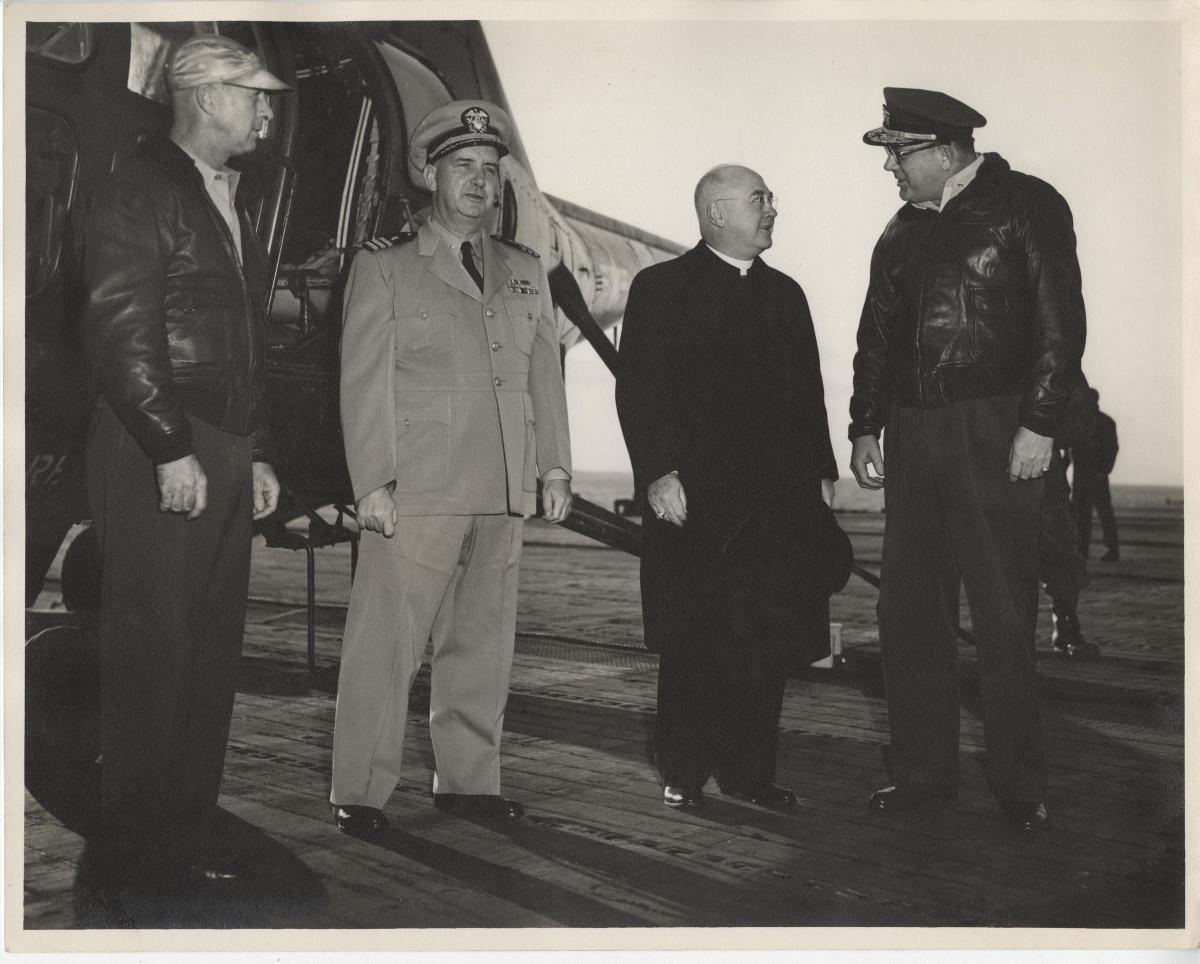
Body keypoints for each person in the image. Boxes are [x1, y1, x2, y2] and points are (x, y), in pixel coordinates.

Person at [331, 100, 573, 834]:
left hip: (502, 487)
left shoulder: (525, 269)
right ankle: (359, 792)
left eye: (490, 170)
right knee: (387, 647)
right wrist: (372, 484)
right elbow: (363, 383)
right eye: (463, 166)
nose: (479, 182)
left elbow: (544, 376)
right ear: (430, 175)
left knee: (482, 646)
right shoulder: (385, 267)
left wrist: (555, 469)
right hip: (420, 489)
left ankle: (468, 783)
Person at [80, 35, 288, 883]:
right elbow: (120, 328)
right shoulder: (142, 189)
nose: (266, 111)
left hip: (220, 446)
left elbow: (241, 343)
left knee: (207, 659)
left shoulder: (222, 195)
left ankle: (184, 836)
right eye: (254, 95)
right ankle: (134, 854)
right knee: (152, 660)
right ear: (205, 96)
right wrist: (170, 447)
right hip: (162, 444)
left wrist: (255, 450)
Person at [849, 88, 1086, 832]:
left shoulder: (1026, 205)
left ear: (946, 150)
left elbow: (1061, 322)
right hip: (912, 433)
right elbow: (874, 340)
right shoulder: (899, 232)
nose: (889, 166)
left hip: (996, 426)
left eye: (899, 152)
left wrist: (1039, 424)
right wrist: (864, 427)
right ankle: (923, 775)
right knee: (909, 611)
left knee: (1003, 613)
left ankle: (1020, 785)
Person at [616, 164, 845, 812]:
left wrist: (821, 476)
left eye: (770, 198)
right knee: (693, 644)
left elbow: (809, 396)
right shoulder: (661, 289)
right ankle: (684, 771)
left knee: (766, 643)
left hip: (775, 506)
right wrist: (657, 472)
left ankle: (751, 774)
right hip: (694, 504)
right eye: (758, 199)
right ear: (716, 213)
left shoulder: (787, 295)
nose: (772, 209)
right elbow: (638, 390)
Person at [1041, 378, 1100, 660]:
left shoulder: (1056, 367)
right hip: (992, 471)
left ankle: (1065, 628)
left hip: (1043, 475)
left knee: (1062, 556)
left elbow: (1079, 420)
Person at [1071, 388, 1120, 561]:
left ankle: (1092, 549)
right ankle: (1092, 549)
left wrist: (1104, 470)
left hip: (1091, 475)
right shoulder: (1088, 421)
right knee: (1090, 514)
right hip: (1088, 475)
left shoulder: (1085, 422)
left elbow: (1112, 449)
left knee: (1095, 514)